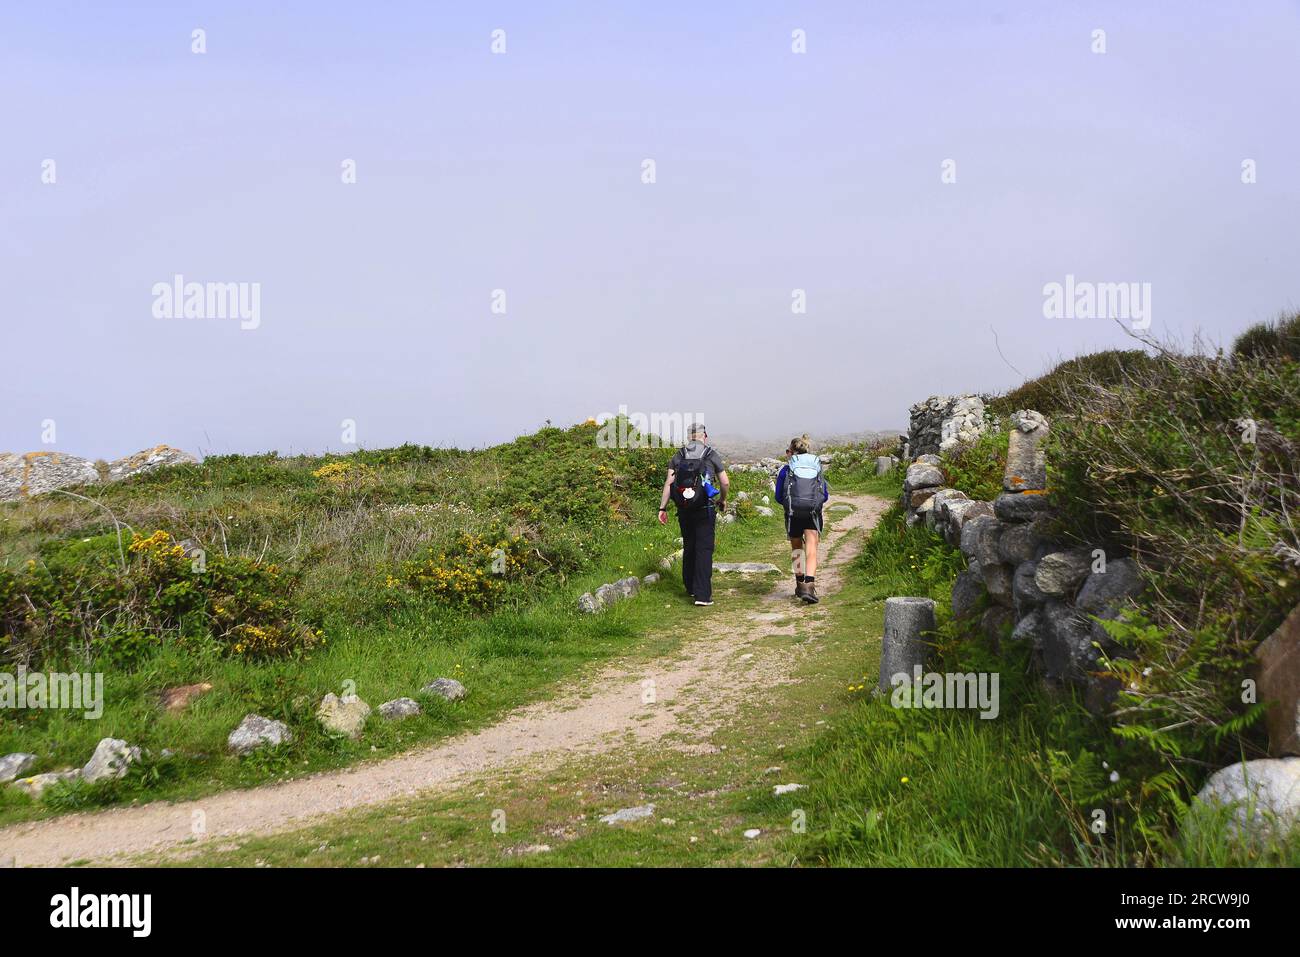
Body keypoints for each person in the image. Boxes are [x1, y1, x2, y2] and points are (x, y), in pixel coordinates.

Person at [658, 423, 729, 606]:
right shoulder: (710, 454)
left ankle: (690, 587)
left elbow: (669, 483)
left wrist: (662, 508)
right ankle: (702, 595)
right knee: (704, 549)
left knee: (689, 546)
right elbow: (725, 483)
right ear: (704, 435)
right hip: (705, 509)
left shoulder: (678, 455)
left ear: (689, 437)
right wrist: (722, 499)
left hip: (684, 509)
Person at [775, 435, 829, 603]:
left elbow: (778, 496)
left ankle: (799, 585)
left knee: (797, 548)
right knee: (811, 548)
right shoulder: (816, 467)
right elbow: (824, 495)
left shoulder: (786, 470)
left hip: (793, 514)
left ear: (790, 452)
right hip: (813, 513)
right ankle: (810, 586)